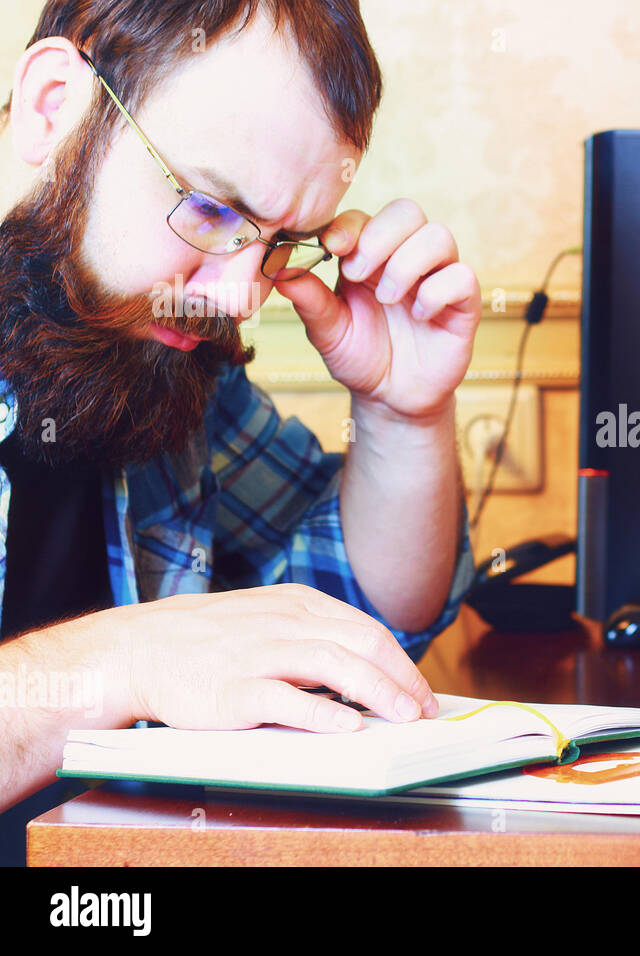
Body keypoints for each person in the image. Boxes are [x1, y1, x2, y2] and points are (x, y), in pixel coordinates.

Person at [0, 0, 478, 860]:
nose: (236, 299)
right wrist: (127, 660)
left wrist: (403, 413)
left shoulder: (163, 355)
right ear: (51, 107)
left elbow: (358, 618)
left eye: (279, 245)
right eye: (212, 211)